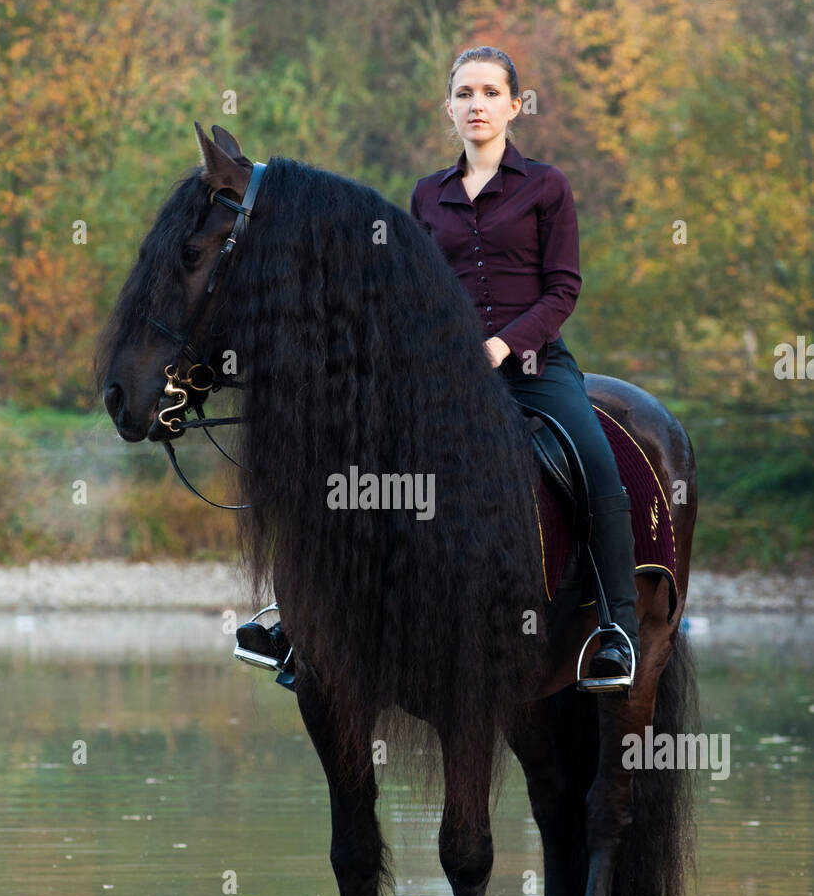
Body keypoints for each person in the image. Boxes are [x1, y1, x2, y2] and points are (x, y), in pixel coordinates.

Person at [238, 45, 639, 690]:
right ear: (448, 108)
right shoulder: (427, 195)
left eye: (489, 93)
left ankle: (619, 629)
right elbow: (417, 287)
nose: (476, 105)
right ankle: (299, 621)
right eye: (464, 94)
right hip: (444, 371)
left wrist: (504, 346)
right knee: (349, 451)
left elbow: (563, 289)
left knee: (595, 462)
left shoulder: (547, 186)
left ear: (514, 106)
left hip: (534, 366)